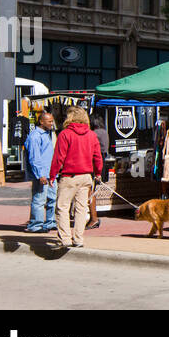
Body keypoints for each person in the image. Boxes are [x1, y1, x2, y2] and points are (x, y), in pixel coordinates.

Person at [49, 106, 103, 249]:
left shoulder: (65, 134)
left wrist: (52, 175)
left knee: (62, 207)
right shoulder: (92, 135)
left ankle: (65, 239)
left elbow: (58, 157)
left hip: (69, 176)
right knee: (81, 209)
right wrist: (98, 173)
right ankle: (78, 239)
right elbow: (97, 157)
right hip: (86, 176)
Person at [24, 112, 57, 233]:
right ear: (41, 122)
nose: (51, 123)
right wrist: (40, 174)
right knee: (39, 200)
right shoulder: (35, 136)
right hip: (42, 174)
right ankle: (35, 225)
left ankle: (50, 222)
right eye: (49, 121)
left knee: (52, 198)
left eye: (52, 121)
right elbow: (35, 157)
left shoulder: (47, 134)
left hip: (51, 173)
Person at [87, 115, 110, 229]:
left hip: (95, 162)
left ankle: (93, 218)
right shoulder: (104, 131)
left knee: (90, 191)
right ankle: (93, 217)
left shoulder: (94, 133)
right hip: (102, 160)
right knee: (93, 190)